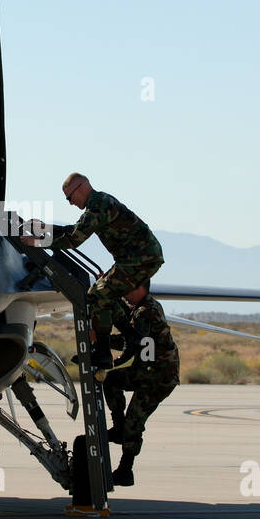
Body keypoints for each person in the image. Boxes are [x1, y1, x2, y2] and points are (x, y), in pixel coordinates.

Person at [24, 172, 164, 369]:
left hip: (140, 258)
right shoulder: (97, 204)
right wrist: (45, 228)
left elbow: (73, 240)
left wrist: (37, 242)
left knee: (96, 293)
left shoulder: (98, 206)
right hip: (138, 258)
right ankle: (131, 338)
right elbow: (74, 229)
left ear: (80, 188)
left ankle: (104, 353)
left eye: (69, 197)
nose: (70, 203)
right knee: (105, 294)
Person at [101, 279, 180, 486]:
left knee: (134, 422)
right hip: (145, 371)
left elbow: (132, 340)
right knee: (110, 381)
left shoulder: (146, 312)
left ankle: (125, 470)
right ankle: (118, 427)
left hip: (158, 379)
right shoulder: (145, 307)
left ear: (139, 288)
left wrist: (102, 339)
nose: (125, 294)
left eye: (127, 289)